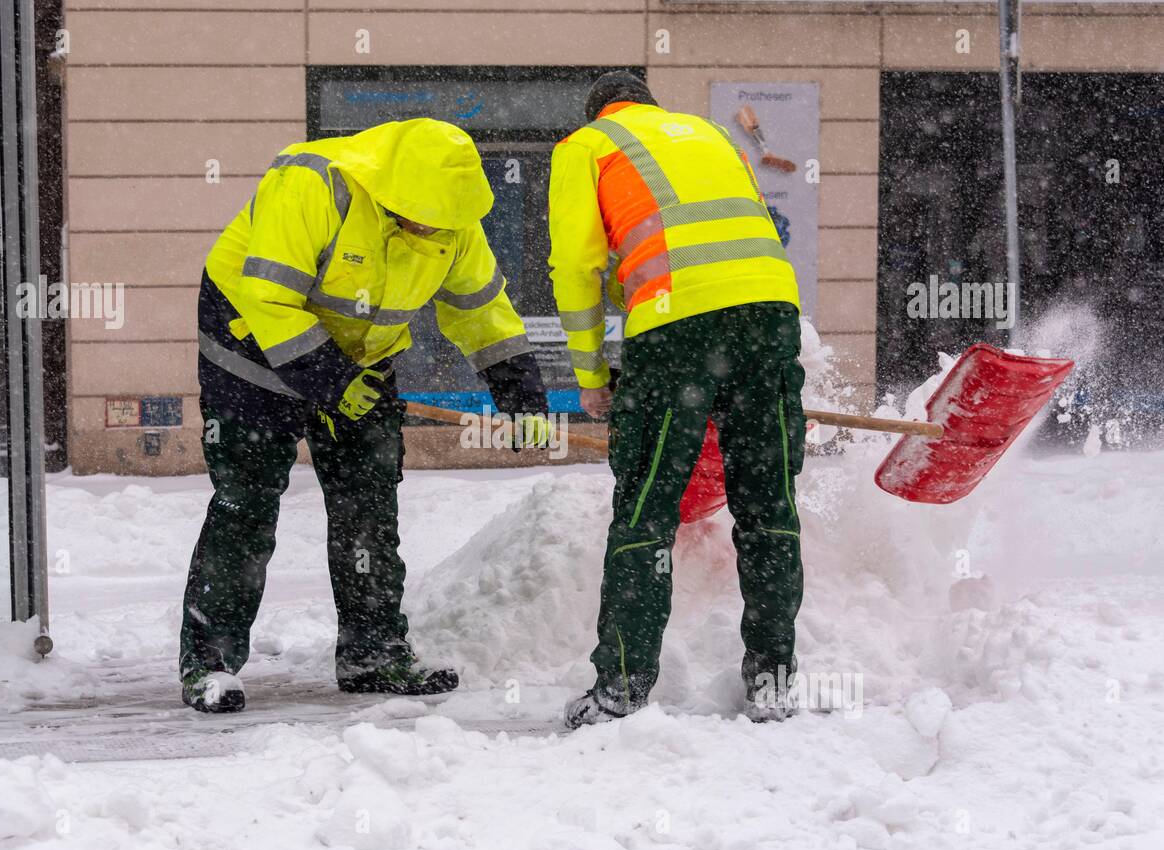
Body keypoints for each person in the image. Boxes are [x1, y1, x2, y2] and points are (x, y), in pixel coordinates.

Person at [182, 118, 550, 713]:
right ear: (395, 193)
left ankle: (372, 654)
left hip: (362, 357)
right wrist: (328, 380)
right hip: (250, 349)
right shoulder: (312, 185)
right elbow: (268, 297)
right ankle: (210, 663)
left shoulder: (453, 220)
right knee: (246, 503)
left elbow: (481, 308)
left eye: (446, 223)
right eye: (425, 218)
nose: (436, 231)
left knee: (369, 508)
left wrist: (519, 391)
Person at [547, 72, 806, 727]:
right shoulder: (712, 135)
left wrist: (591, 377)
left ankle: (621, 690)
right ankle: (773, 682)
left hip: (675, 326)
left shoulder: (587, 145)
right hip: (771, 311)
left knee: (646, 508)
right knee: (769, 503)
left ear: (597, 108)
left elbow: (577, 268)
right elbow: (707, 238)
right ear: (649, 105)